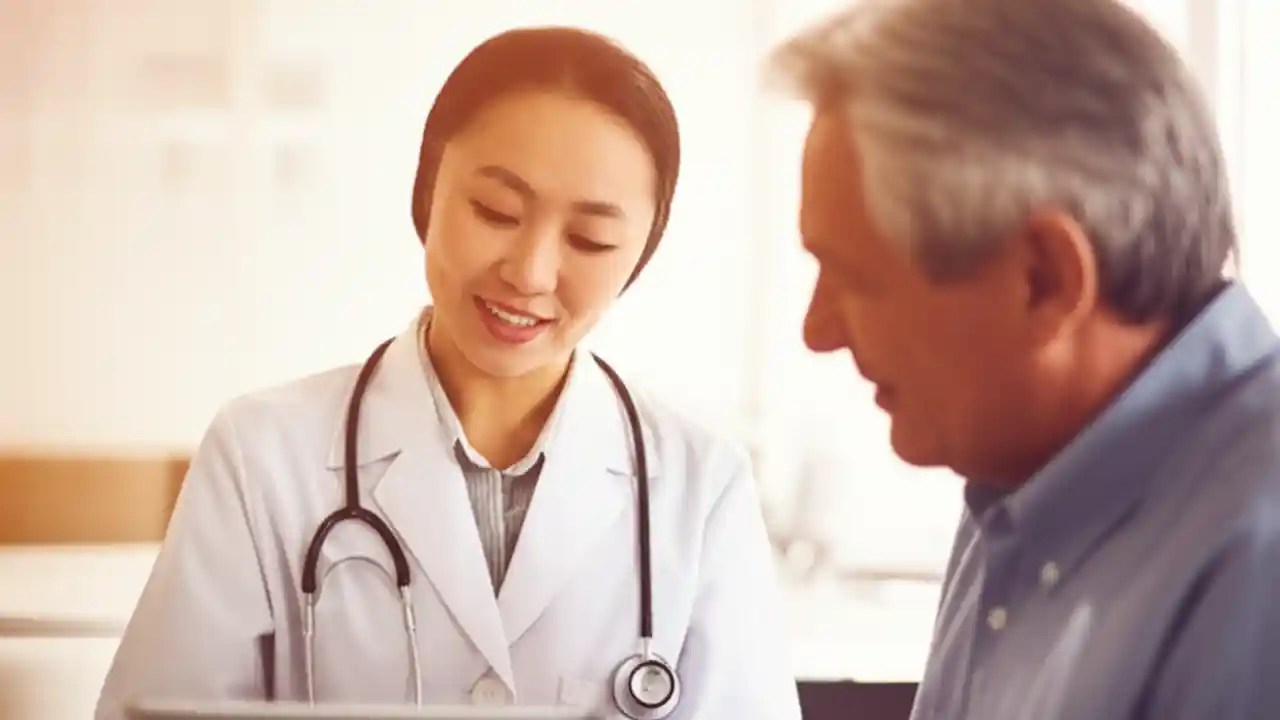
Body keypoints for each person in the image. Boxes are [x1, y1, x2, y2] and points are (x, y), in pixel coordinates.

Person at [97, 26, 801, 720]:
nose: (529, 273)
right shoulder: (262, 454)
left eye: (590, 239)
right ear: (427, 190)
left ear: (639, 254)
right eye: (496, 211)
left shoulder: (701, 486)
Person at [768, 0, 1280, 718]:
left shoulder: (1258, 557)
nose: (817, 331)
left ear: (1044, 279)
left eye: (855, 278)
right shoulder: (1019, 476)